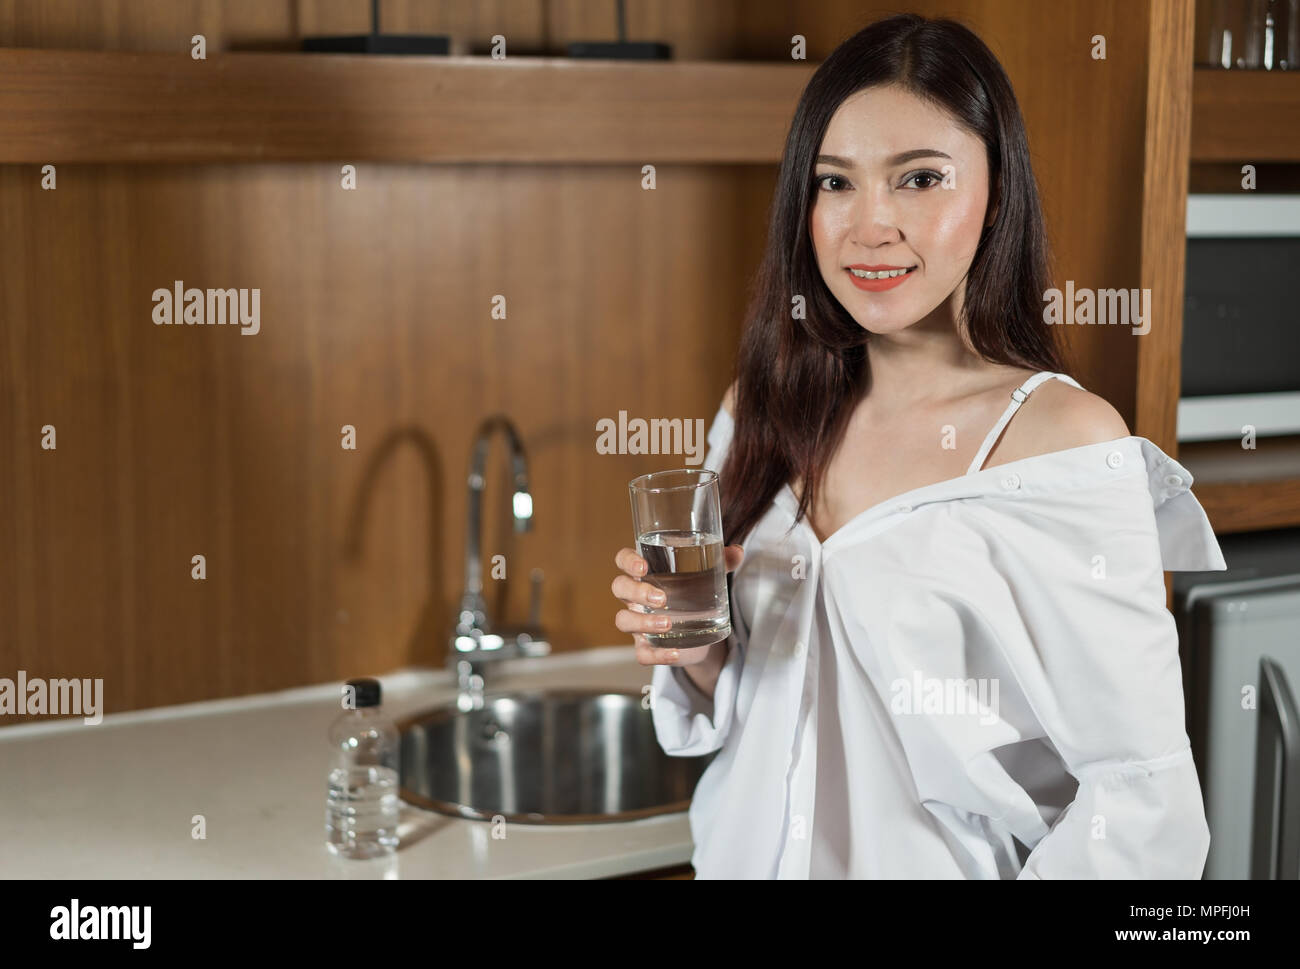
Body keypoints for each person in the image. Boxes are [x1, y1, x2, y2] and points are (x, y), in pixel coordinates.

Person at [610, 13, 1226, 878]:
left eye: (920, 179)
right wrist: (701, 655)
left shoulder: (1057, 444)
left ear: (997, 193)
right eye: (835, 184)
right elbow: (765, 711)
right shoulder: (760, 408)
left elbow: (1143, 801)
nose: (871, 225)